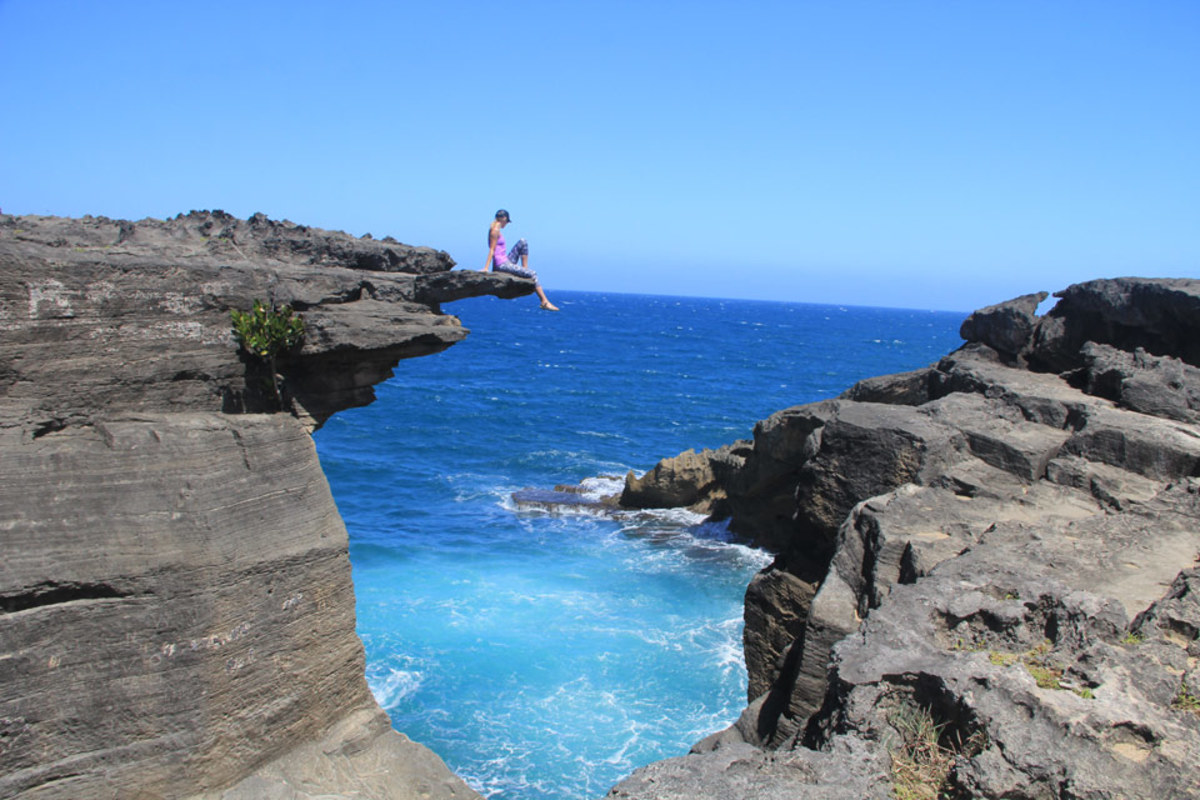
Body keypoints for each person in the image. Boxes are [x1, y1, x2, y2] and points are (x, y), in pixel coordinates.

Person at [483, 209, 559, 311]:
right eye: (507, 221)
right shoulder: (495, 230)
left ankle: (524, 269)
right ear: (504, 219)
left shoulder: (497, 229)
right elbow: (492, 250)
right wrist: (486, 268)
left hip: (506, 260)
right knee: (533, 274)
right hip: (501, 265)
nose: (506, 224)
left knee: (523, 242)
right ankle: (544, 302)